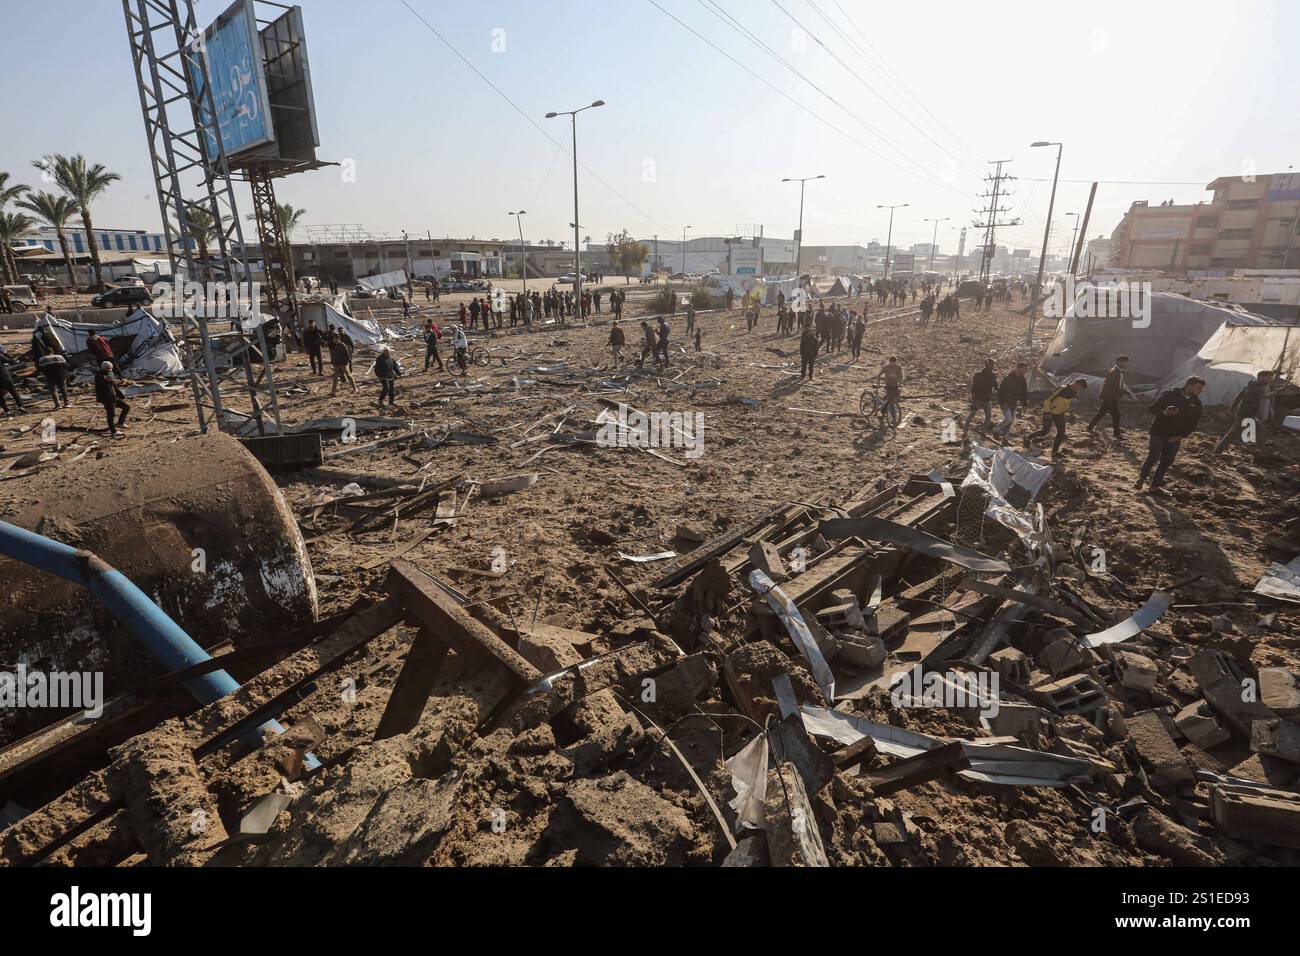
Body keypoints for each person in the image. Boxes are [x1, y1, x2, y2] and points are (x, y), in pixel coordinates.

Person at [1136, 377, 1205, 494]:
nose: (1201, 391)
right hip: (1159, 432)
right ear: (1189, 385)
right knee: (1153, 457)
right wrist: (1165, 412)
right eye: (1199, 388)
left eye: (1201, 389)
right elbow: (1152, 408)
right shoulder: (1170, 395)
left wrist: (1181, 436)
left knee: (1167, 461)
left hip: (1175, 437)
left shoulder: (1196, 403)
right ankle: (1141, 479)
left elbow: (1193, 423)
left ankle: (1154, 486)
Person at [1215, 369, 1279, 451]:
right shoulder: (1255, 387)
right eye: (1268, 378)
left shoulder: (1251, 385)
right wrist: (1278, 392)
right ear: (1261, 377)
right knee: (1234, 433)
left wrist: (1233, 408)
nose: (1270, 381)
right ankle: (1218, 450)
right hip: (1246, 414)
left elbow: (1238, 396)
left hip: (1248, 414)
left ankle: (1261, 450)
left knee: (1259, 430)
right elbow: (1264, 396)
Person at [1025, 379, 1088, 456]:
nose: (1080, 390)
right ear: (1077, 384)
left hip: (1060, 414)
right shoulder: (1062, 389)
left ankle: (1054, 452)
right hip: (1050, 412)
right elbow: (1047, 399)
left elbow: (1065, 402)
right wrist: (1048, 412)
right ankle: (1027, 438)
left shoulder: (1074, 392)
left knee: (1061, 432)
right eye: (1080, 387)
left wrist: (1064, 410)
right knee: (1045, 431)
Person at [1087, 355, 1135, 440]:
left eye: (1126, 362)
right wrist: (1113, 397)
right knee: (1116, 415)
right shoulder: (1113, 372)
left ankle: (1090, 427)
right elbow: (1109, 386)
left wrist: (1127, 393)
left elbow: (1119, 386)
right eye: (1124, 362)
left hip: (1111, 397)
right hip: (1110, 397)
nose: (1126, 364)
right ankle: (1117, 435)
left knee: (1101, 413)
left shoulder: (1119, 372)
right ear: (1119, 362)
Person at [93, 361, 130, 437]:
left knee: (126, 407)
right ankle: (113, 431)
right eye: (110, 368)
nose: (111, 370)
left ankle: (120, 423)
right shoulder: (99, 375)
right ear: (105, 368)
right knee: (111, 415)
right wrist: (120, 380)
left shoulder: (107, 373)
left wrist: (121, 381)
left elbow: (113, 381)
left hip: (113, 397)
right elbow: (110, 379)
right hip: (107, 398)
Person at [994, 361, 1029, 439]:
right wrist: (1003, 402)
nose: (1026, 371)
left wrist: (1024, 403)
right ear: (1018, 368)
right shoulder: (1008, 378)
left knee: (1011, 421)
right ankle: (996, 430)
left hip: (1014, 402)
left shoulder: (1022, 379)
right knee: (1008, 419)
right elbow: (1001, 391)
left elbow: (1024, 391)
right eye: (1024, 369)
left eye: (1026, 369)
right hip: (1006, 402)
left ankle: (1005, 438)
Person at [965, 359, 999, 430]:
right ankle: (965, 431)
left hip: (987, 399)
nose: (994, 366)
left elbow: (996, 387)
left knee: (988, 418)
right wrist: (974, 399)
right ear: (989, 365)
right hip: (978, 399)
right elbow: (973, 388)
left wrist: (996, 393)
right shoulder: (978, 375)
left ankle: (981, 431)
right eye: (992, 365)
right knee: (971, 416)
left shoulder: (993, 376)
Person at [0, 345, 26, 415]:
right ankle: (21, 407)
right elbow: (12, 361)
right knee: (14, 393)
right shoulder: (1, 356)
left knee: (1, 397)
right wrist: (5, 354)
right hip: (5, 378)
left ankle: (7, 411)